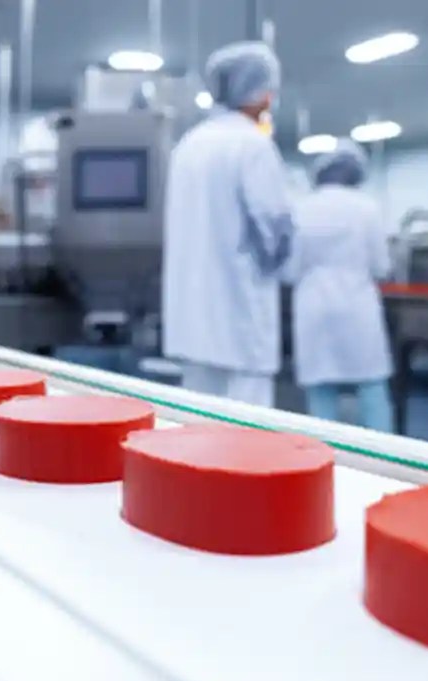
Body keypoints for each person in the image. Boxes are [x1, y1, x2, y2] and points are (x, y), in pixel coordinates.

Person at [162, 41, 294, 407]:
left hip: (192, 320)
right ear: (257, 91)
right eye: (268, 89)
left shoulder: (188, 145)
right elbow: (276, 227)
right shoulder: (252, 144)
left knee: (198, 423)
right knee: (247, 435)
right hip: (240, 314)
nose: (271, 98)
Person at [283, 140, 394, 432]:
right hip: (358, 307)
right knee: (371, 388)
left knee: (321, 395)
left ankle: (327, 459)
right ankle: (384, 457)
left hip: (314, 307)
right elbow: (381, 265)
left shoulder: (302, 209)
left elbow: (291, 268)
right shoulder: (368, 208)